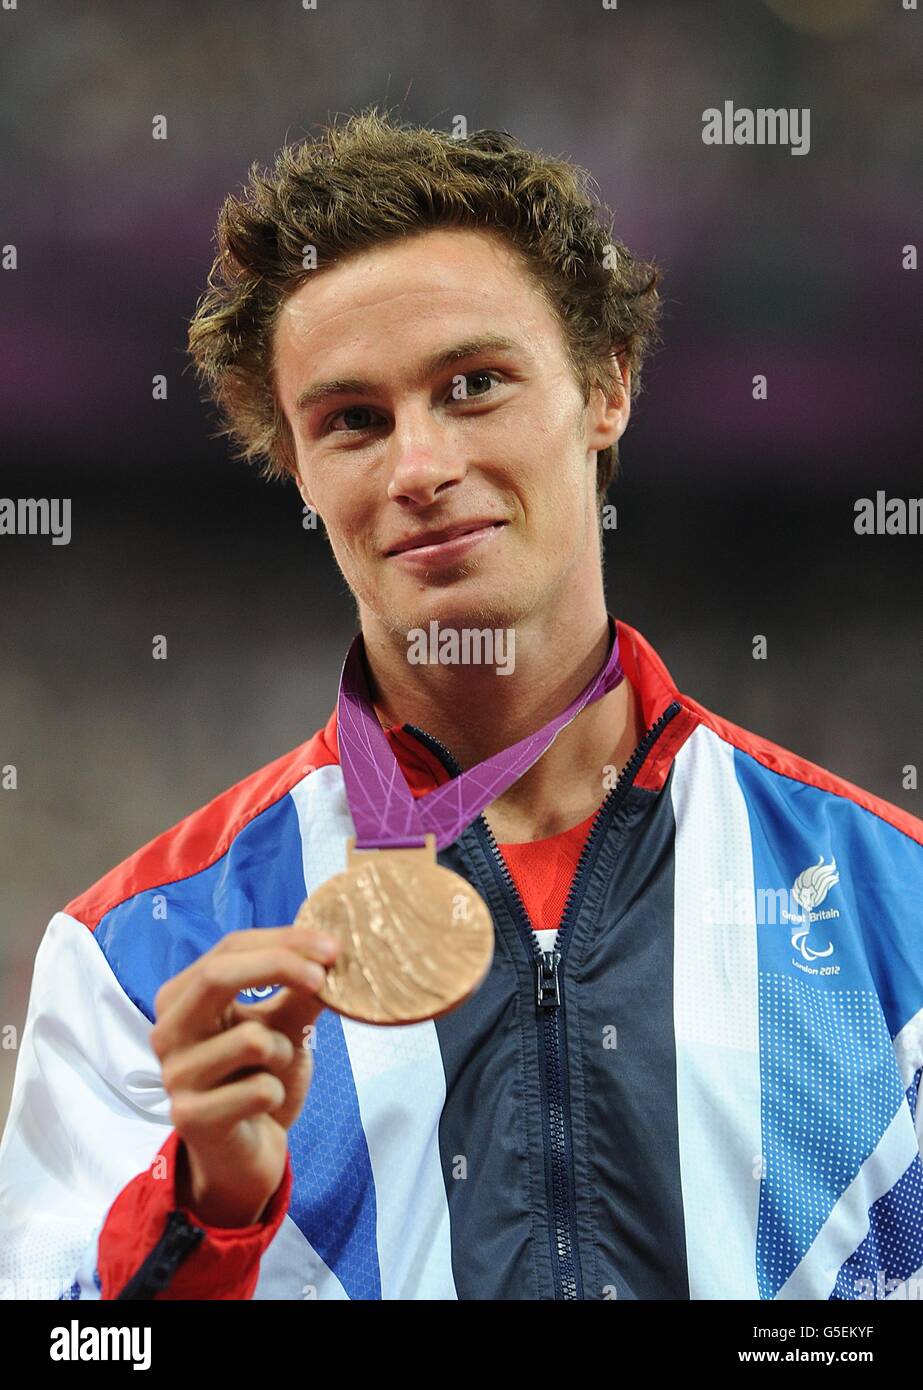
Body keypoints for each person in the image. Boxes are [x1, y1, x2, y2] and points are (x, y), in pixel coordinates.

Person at [1, 108, 921, 1303]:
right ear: (297, 467)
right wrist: (207, 1213)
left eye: (472, 385)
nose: (417, 468)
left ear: (606, 388)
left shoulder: (891, 905)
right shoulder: (139, 960)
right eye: (351, 422)